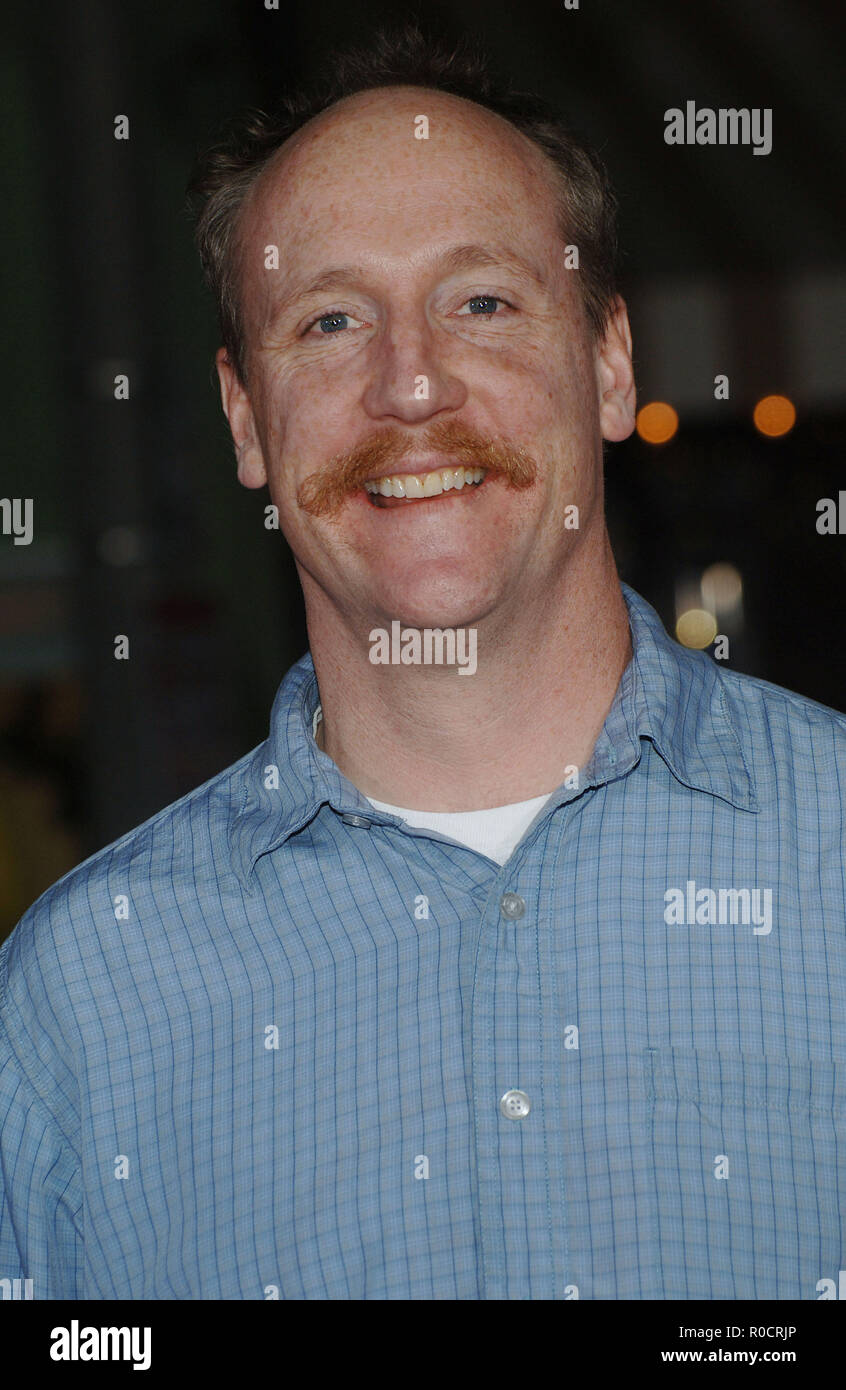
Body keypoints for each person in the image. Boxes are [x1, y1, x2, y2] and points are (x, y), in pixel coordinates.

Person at [1, 25, 844, 1302]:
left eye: (483, 301)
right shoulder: (79, 1001)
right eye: (331, 319)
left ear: (610, 364)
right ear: (245, 417)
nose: (410, 385)